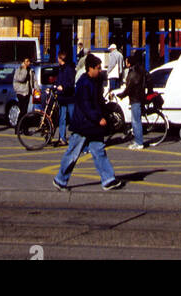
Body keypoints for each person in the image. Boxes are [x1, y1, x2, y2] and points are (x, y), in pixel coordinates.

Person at [53, 54, 123, 191]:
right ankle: (60, 179)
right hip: (84, 125)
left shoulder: (93, 82)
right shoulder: (84, 83)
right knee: (73, 153)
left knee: (99, 151)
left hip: (91, 125)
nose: (100, 70)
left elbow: (96, 102)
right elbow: (86, 105)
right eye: (98, 68)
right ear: (90, 68)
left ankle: (108, 179)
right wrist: (98, 118)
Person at [119, 50, 147, 151]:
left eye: (126, 61)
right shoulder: (139, 70)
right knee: (135, 120)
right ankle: (137, 141)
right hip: (138, 98)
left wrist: (122, 95)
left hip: (135, 99)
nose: (125, 63)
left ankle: (139, 142)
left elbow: (130, 87)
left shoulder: (133, 72)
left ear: (129, 62)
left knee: (136, 121)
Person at [53, 50, 76, 146]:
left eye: (58, 58)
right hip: (62, 97)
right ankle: (62, 138)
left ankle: (75, 137)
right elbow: (58, 80)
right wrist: (55, 85)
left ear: (60, 58)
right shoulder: (60, 69)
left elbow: (71, 83)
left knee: (72, 118)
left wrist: (63, 87)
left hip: (69, 97)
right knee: (62, 118)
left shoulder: (69, 69)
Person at [12, 56, 35, 121]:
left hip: (27, 92)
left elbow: (33, 81)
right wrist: (24, 69)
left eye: (29, 61)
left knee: (25, 111)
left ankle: (24, 128)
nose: (28, 63)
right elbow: (21, 79)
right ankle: (19, 127)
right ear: (23, 62)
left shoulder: (30, 70)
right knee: (23, 110)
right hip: (20, 92)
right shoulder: (19, 70)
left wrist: (37, 89)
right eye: (27, 61)